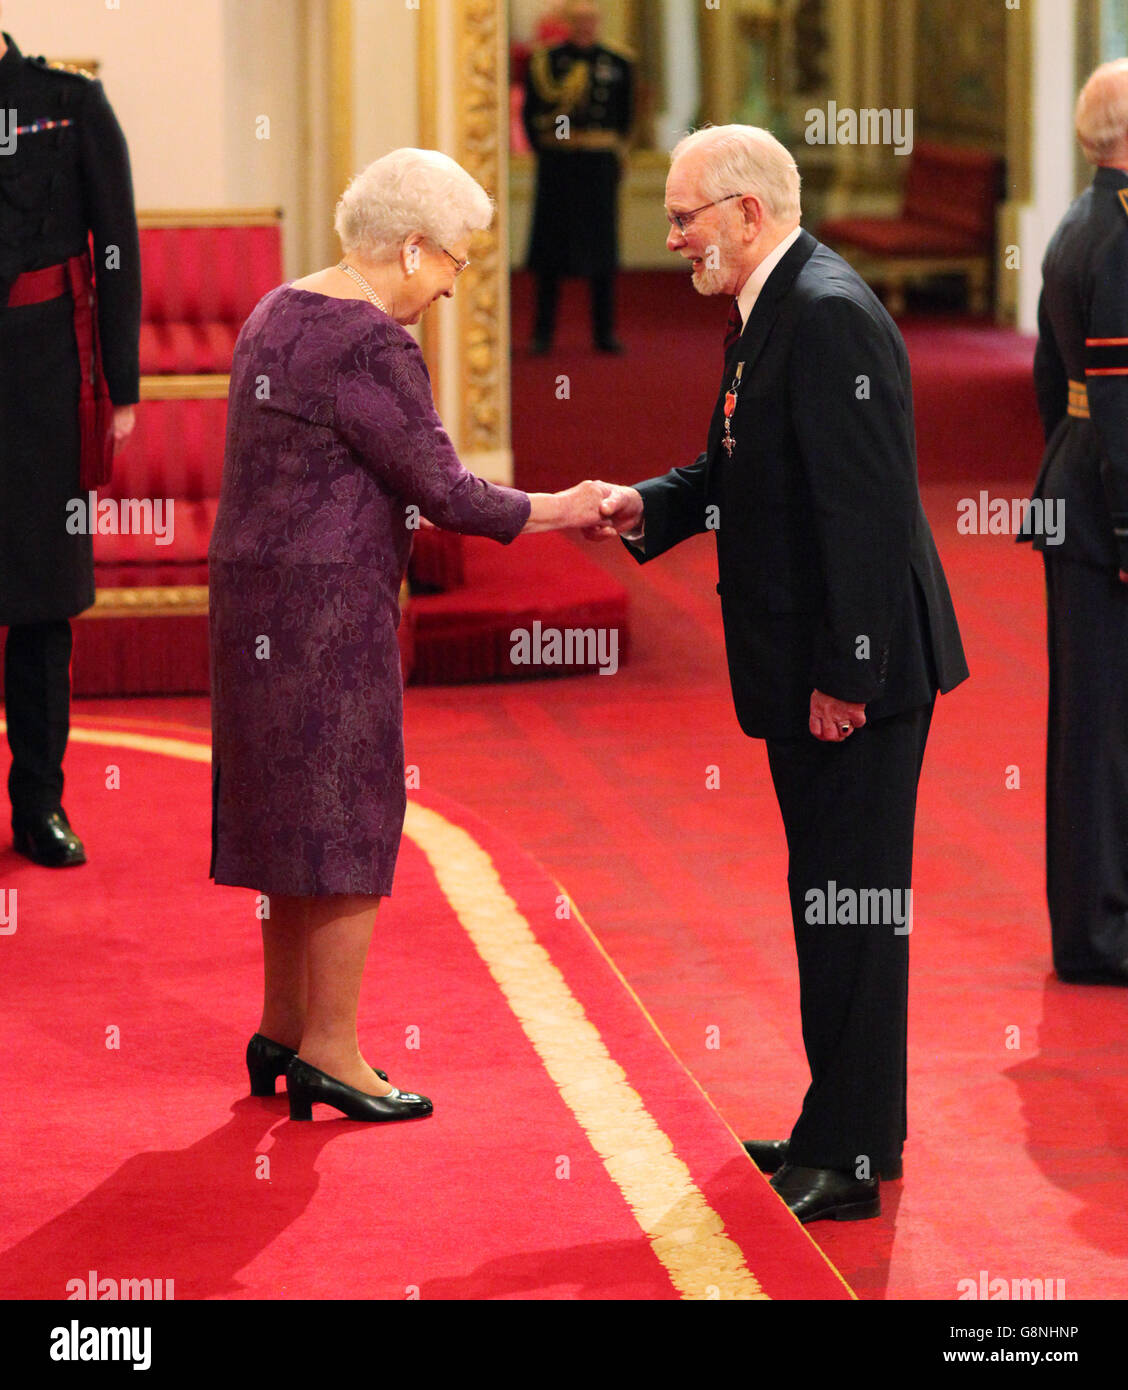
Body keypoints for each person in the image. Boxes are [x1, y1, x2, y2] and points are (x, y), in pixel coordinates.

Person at [589, 125, 968, 1222]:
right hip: (824, 666)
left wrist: (846, 676)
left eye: (683, 218)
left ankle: (845, 1157)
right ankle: (849, 1126)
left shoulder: (829, 315)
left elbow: (862, 516)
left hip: (857, 678)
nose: (670, 240)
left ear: (748, 211)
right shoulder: (773, 305)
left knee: (848, 909)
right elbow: (741, 468)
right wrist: (652, 507)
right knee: (837, 905)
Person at [210, 148, 608, 1124]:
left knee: (283, 814)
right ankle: (335, 1053)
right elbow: (446, 489)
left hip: (249, 598)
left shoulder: (277, 308)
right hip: (327, 608)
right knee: (346, 816)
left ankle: (284, 1026)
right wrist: (564, 505)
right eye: (454, 263)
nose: (453, 284)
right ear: (412, 246)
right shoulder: (370, 342)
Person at [0, 19, 140, 867]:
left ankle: (40, 805)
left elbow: (115, 244)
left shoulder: (68, 102)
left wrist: (120, 385)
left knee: (42, 603)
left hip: (45, 380)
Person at [1017, 60, 1128, 984]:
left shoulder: (1077, 219)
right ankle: (1099, 935)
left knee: (1090, 721)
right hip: (1108, 506)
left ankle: (1096, 920)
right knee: (1101, 730)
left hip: (1076, 486)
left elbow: (1056, 386)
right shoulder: (1122, 234)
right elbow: (1119, 403)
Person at [522, 0, 633, 354]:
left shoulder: (618, 63)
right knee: (551, 251)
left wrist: (617, 152)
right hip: (559, 166)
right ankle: (543, 334)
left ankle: (604, 334)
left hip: (598, 165)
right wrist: (551, 148)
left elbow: (626, 116)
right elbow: (531, 114)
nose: (586, 26)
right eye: (579, 20)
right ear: (568, 22)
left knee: (602, 251)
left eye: (591, 20)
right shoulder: (547, 62)